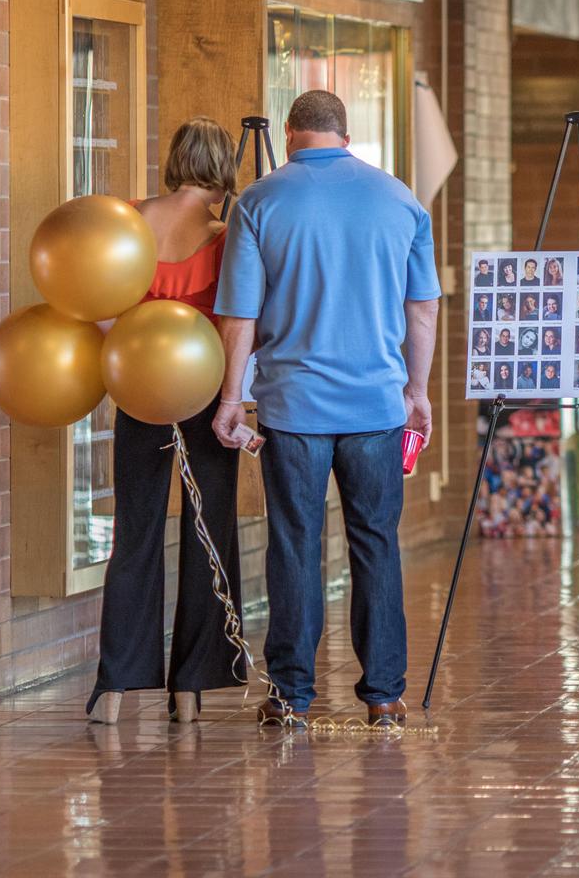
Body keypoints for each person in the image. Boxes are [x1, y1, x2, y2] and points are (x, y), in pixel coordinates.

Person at [213, 91, 440, 728]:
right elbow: (422, 309)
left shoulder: (259, 202)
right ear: (346, 135)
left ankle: (291, 696)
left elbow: (239, 316)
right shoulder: (399, 200)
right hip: (377, 406)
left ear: (289, 133)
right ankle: (385, 696)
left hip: (293, 408)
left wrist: (231, 399)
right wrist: (417, 391)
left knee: (294, 546)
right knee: (376, 544)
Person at [89, 117, 244, 727]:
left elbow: (94, 301)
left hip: (139, 395)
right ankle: (191, 688)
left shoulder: (128, 219)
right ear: (224, 169)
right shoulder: (225, 236)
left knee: (135, 535)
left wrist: (130, 352)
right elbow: (238, 323)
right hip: (206, 397)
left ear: (175, 159)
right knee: (210, 535)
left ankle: (115, 688)